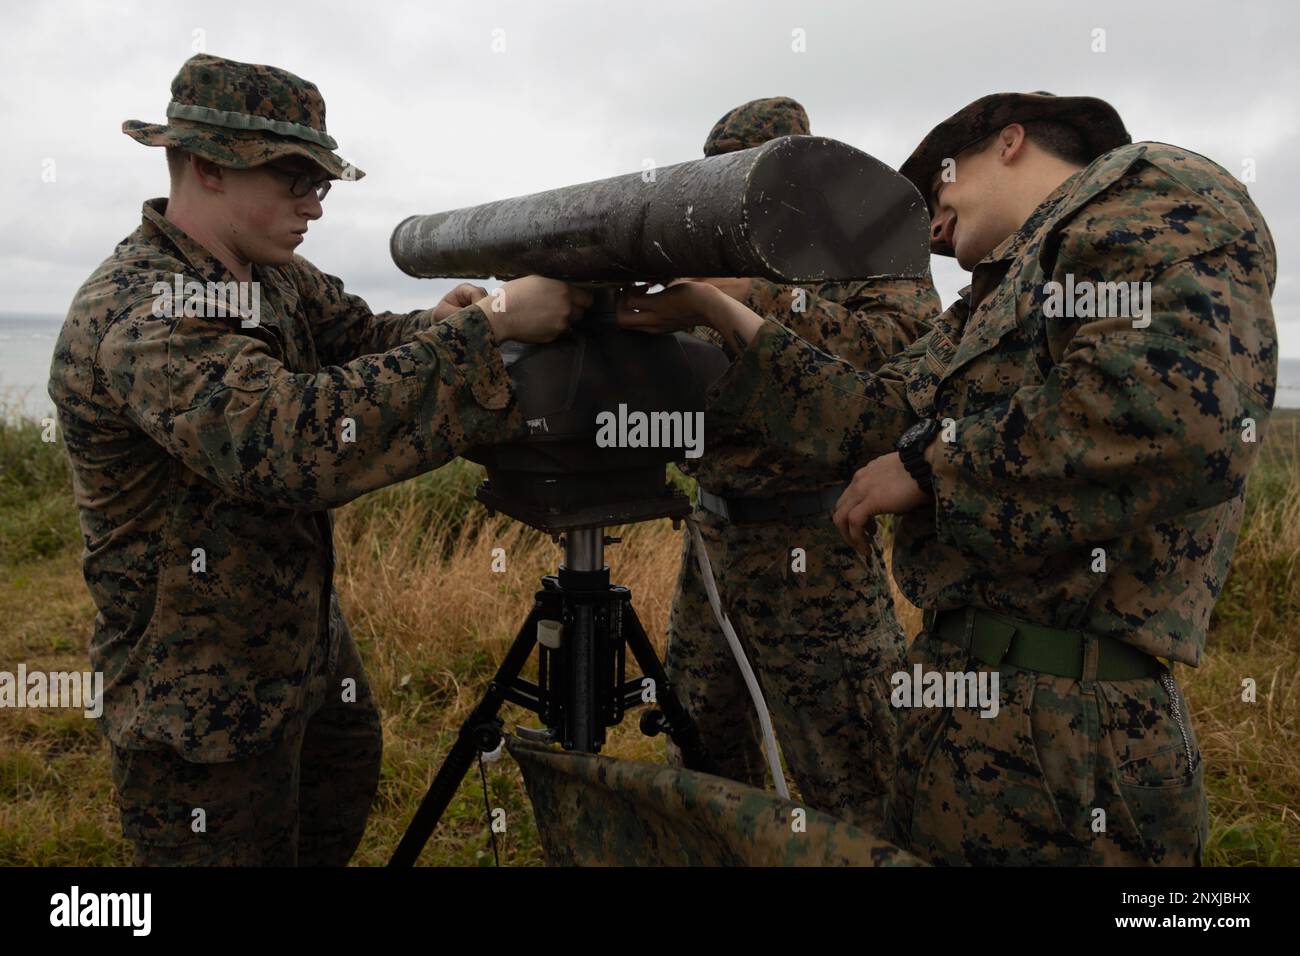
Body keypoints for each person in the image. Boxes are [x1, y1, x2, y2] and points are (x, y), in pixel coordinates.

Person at [618, 91, 1277, 864]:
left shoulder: (1149, 190)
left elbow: (1171, 416)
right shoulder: (986, 307)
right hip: (960, 714)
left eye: (938, 188)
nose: (929, 224)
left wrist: (932, 467)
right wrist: (724, 315)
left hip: (1073, 736)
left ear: (1009, 141)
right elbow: (871, 417)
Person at [48, 53, 589, 865]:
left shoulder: (277, 278)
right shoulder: (142, 310)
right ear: (206, 167)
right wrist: (494, 328)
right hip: (199, 700)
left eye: (324, 184)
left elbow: (363, 341)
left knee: (331, 816)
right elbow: (292, 441)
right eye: (295, 179)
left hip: (304, 651)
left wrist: (447, 320)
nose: (315, 206)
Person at [657, 97, 940, 825]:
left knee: (853, 771)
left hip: (817, 549)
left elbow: (894, 364)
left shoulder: (872, 250)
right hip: (713, 540)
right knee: (703, 750)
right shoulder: (702, 254)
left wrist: (752, 302)